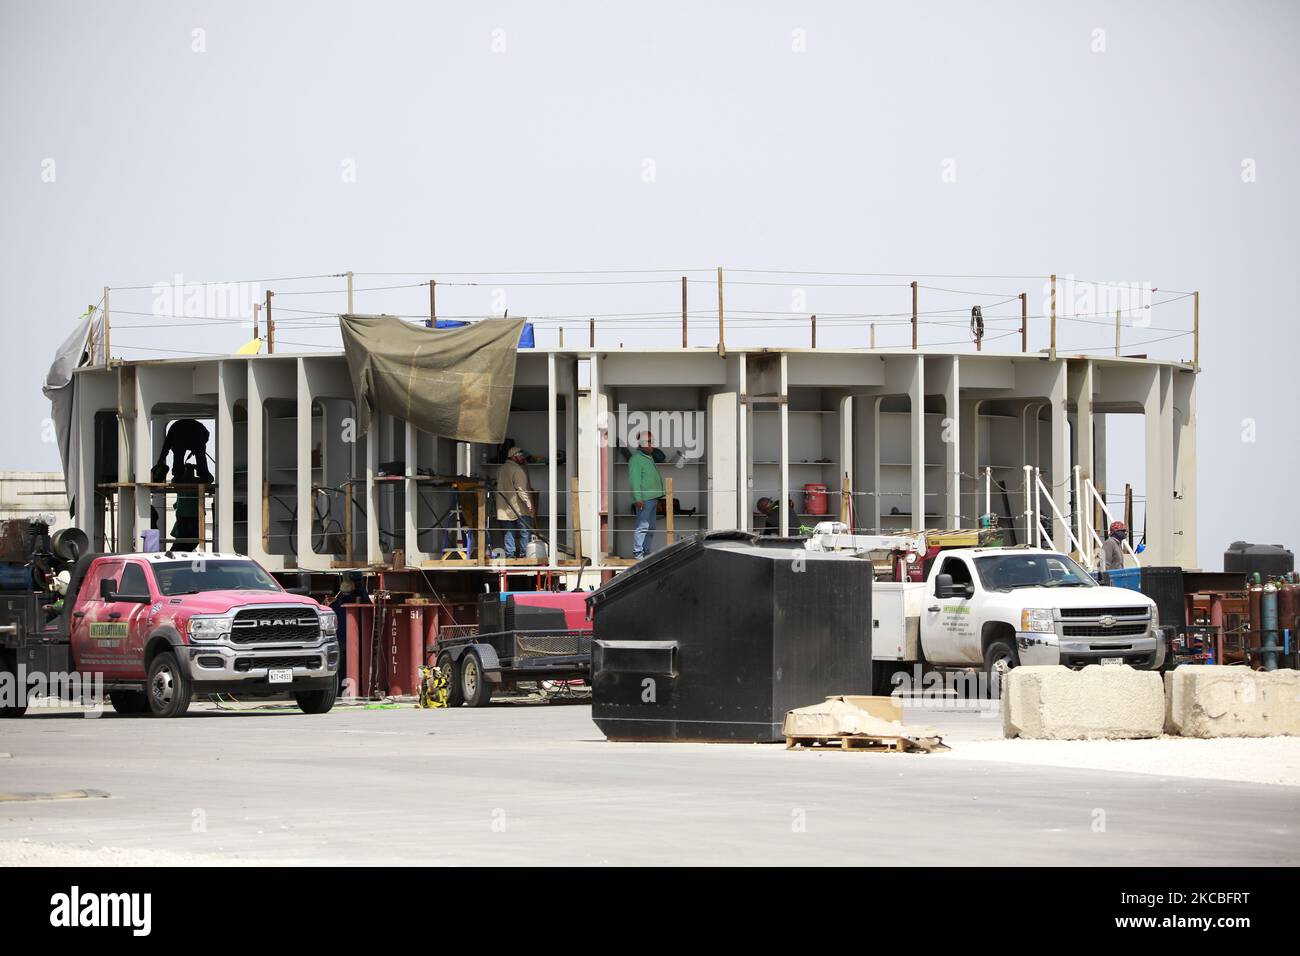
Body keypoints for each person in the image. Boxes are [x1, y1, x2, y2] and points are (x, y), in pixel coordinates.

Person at [628, 431, 665, 559]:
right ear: (641, 443)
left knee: (651, 526)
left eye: (652, 441)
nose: (652, 444)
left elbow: (662, 457)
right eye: (649, 441)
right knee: (643, 526)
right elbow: (634, 481)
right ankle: (638, 554)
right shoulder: (636, 459)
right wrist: (638, 499)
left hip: (653, 498)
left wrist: (651, 448)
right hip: (645, 499)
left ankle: (646, 552)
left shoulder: (649, 457)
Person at [495, 446, 535, 559]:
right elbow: (520, 489)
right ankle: (524, 556)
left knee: (509, 532)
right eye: (521, 456)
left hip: (504, 507)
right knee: (525, 532)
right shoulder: (518, 470)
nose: (523, 458)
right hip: (519, 508)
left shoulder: (501, 469)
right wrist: (528, 503)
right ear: (514, 456)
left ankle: (510, 556)